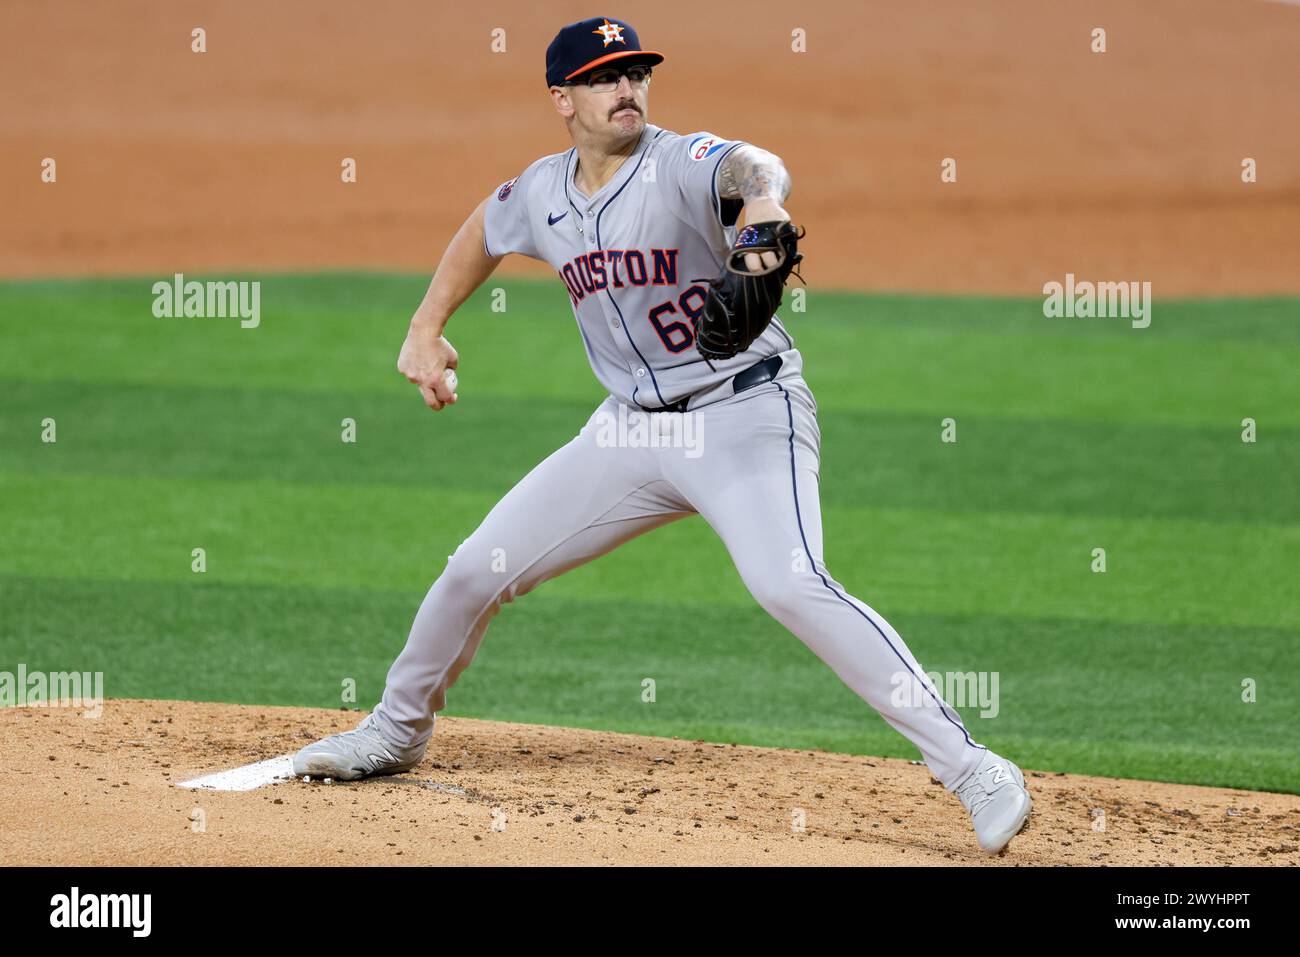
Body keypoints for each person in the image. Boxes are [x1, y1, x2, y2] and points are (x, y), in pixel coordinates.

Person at [292, 16, 1032, 855]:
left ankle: (972, 766)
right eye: (605, 77)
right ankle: (395, 730)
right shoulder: (542, 192)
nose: (626, 88)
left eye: (636, 72)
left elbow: (754, 166)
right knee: (476, 566)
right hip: (629, 435)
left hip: (745, 415)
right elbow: (484, 228)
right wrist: (426, 327)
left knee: (789, 583)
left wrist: (761, 206)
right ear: (560, 98)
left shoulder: (680, 163)